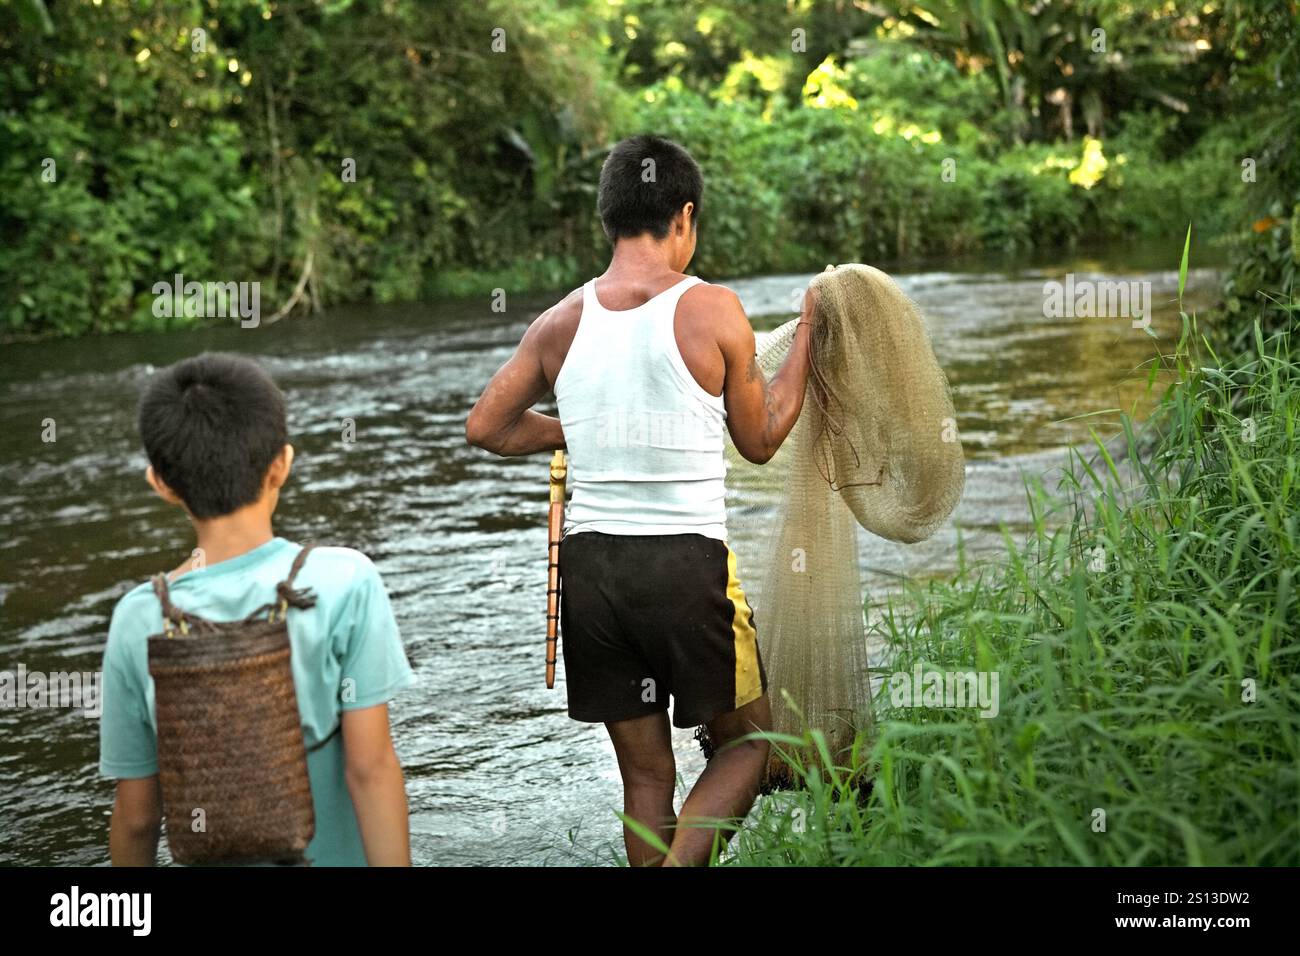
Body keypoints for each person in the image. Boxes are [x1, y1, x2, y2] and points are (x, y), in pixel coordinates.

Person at [466, 134, 817, 865]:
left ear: (608, 220)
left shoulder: (560, 321)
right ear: (683, 216)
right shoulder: (712, 308)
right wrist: (810, 339)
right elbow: (759, 438)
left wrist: (589, 435)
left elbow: (487, 427)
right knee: (753, 743)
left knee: (648, 776)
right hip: (684, 571)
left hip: (590, 577)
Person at [99, 352, 415, 866]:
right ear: (281, 465)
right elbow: (370, 770)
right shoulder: (343, 580)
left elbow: (136, 817)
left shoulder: (138, 617)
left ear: (160, 483)